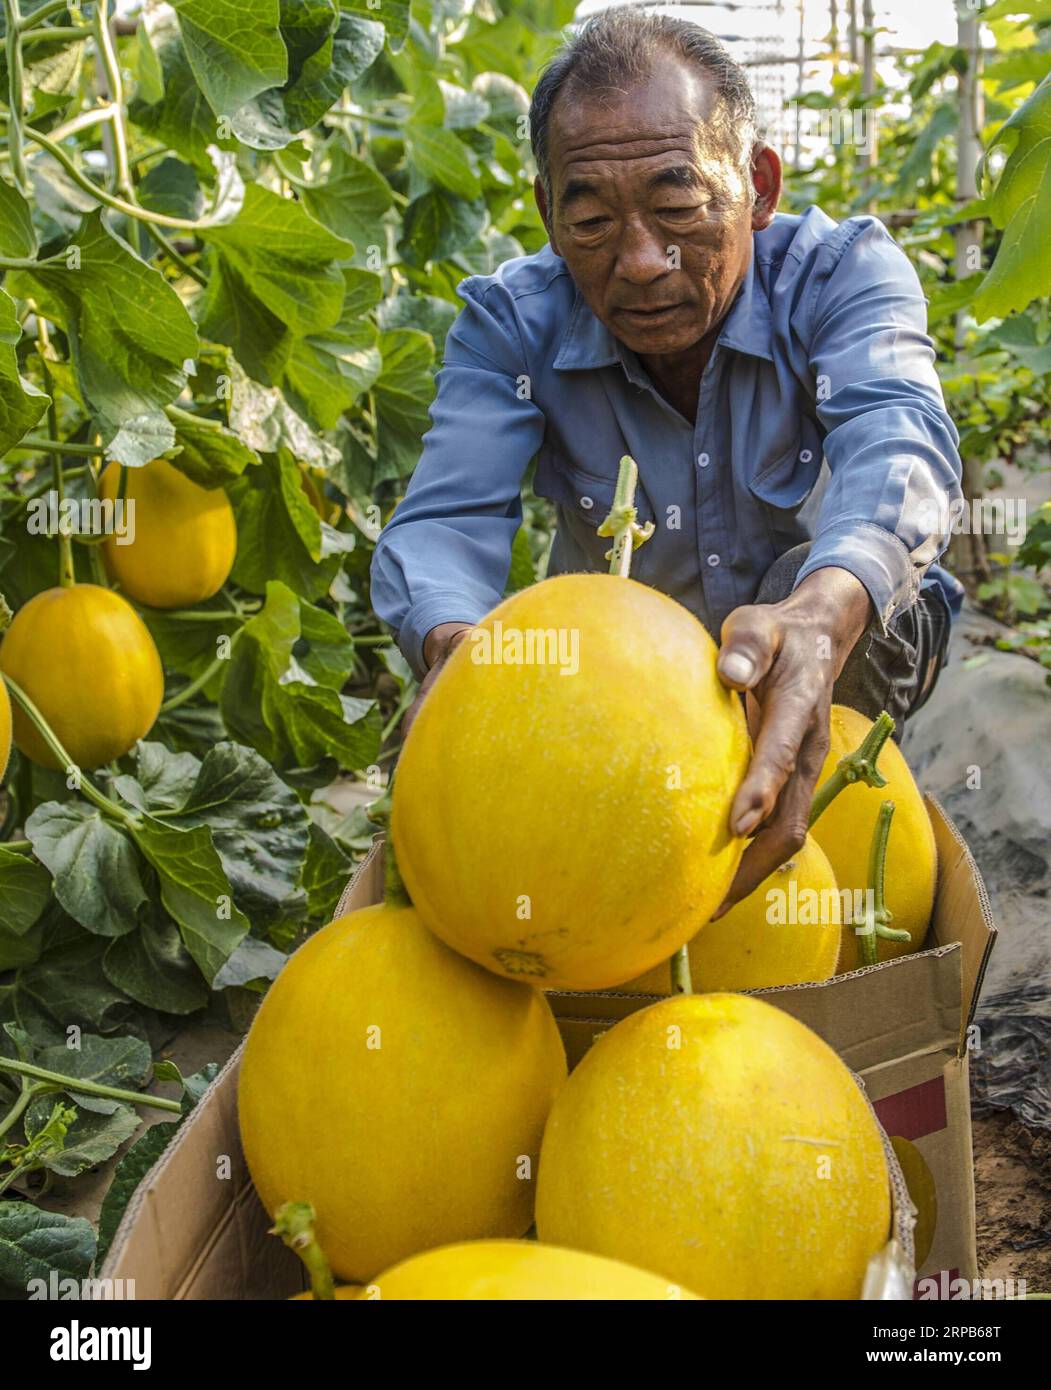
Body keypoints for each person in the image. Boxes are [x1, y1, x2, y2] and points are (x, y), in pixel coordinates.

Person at [370, 10, 963, 915]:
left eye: (679, 206)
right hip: (624, 691)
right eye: (593, 221)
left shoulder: (839, 275)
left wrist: (822, 608)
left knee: (832, 577)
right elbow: (448, 518)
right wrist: (457, 647)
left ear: (756, 186)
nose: (641, 262)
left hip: (834, 647)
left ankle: (814, 764)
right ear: (546, 213)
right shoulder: (510, 324)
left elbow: (899, 437)